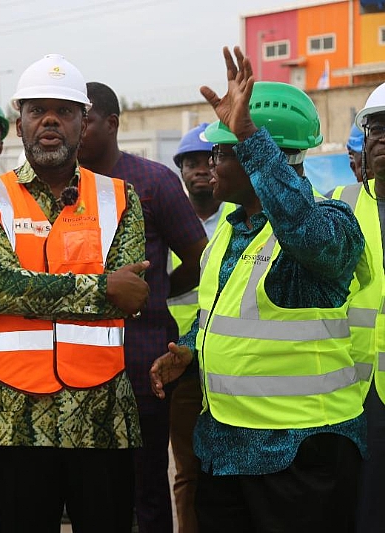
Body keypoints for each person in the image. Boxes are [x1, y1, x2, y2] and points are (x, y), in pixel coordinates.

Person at [151, 47, 375, 533]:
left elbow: (306, 231)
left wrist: (249, 136)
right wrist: (191, 352)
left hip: (298, 457)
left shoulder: (330, 224)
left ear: (263, 156)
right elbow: (230, 320)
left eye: (223, 153)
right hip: (226, 453)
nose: (210, 165)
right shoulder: (230, 230)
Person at [0, 53, 150, 533]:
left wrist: (24, 291)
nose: (50, 120)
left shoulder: (121, 198)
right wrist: (102, 285)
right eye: (37, 110)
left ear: (83, 122)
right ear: (20, 123)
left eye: (63, 110)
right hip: (15, 415)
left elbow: (130, 296)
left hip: (102, 415)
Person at [78, 81, 207, 533]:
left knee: (147, 490)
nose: (76, 128)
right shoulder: (56, 187)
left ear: (112, 124)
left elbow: (199, 257)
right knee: (90, 495)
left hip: (140, 365)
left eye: (86, 118)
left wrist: (157, 292)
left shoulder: (153, 181)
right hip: (74, 370)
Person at [165, 122, 235, 533]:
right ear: (181, 171)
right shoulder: (169, 222)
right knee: (188, 469)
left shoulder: (240, 218)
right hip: (181, 360)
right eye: (190, 162)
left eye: (209, 160)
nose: (201, 170)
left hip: (230, 361)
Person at [330, 82, 385, 533]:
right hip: (354, 390)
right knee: (360, 508)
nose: (383, 138)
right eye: (376, 129)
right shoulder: (338, 204)